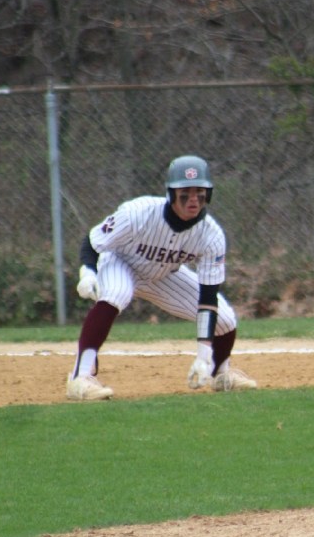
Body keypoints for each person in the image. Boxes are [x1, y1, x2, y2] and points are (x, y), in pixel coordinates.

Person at [66, 154, 257, 400]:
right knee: (115, 294)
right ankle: (80, 377)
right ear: (171, 193)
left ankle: (220, 373)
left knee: (225, 317)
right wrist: (87, 272)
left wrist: (203, 355)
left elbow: (207, 299)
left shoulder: (211, 235)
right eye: (185, 193)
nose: (193, 199)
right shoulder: (138, 212)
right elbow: (93, 241)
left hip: (164, 274)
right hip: (122, 263)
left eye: (200, 192)